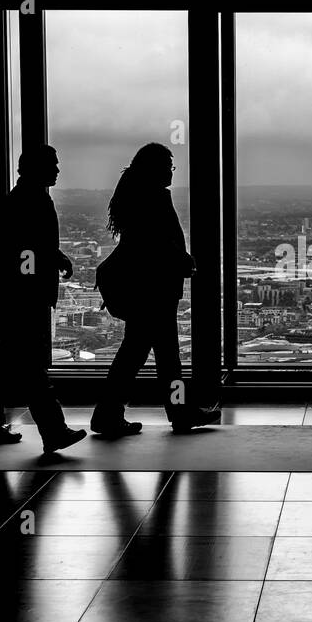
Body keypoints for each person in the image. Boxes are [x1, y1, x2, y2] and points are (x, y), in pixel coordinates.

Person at [91, 142, 219, 437]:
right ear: (156, 169)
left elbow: (145, 242)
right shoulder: (154, 198)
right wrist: (181, 258)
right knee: (160, 357)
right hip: (155, 290)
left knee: (142, 354)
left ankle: (113, 412)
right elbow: (156, 242)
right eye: (168, 167)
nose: (172, 173)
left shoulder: (136, 195)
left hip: (144, 289)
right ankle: (174, 412)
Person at [0, 145, 85, 453]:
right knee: (31, 367)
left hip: (16, 297)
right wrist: (37, 276)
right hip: (23, 299)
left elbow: (23, 248)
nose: (58, 170)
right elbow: (25, 252)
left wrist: (52, 258)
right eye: (54, 164)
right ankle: (53, 429)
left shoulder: (22, 199)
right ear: (39, 168)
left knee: (8, 366)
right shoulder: (31, 200)